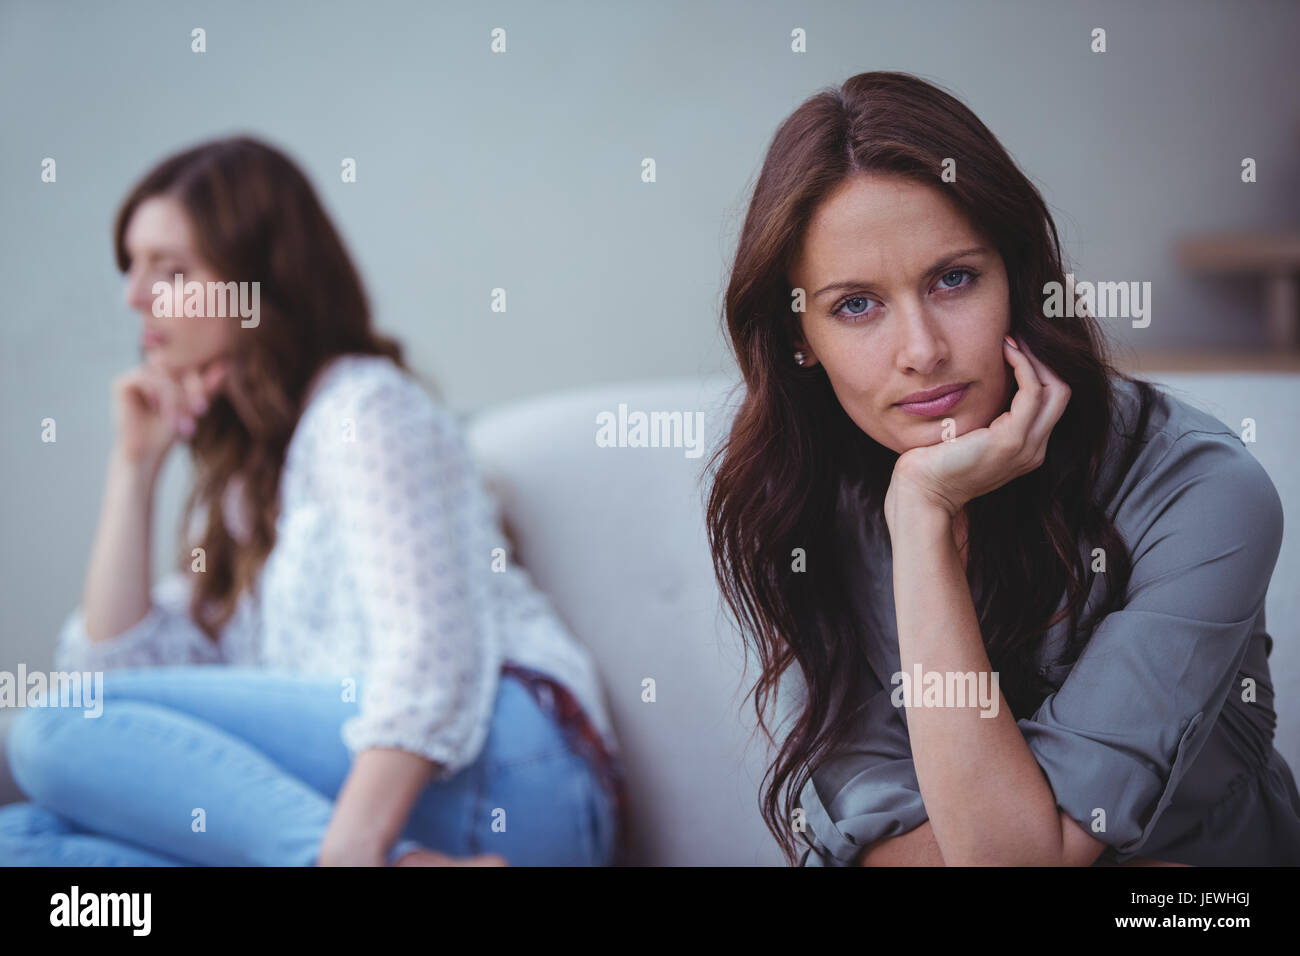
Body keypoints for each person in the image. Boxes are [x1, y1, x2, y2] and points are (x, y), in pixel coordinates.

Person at [705, 71, 1300, 866]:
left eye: (953, 279)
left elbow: (1016, 863)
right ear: (799, 337)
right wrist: (922, 519)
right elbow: (873, 842)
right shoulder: (803, 499)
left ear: (1019, 281)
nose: (921, 351)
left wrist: (917, 516)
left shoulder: (1202, 493)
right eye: (857, 305)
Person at [0, 135, 625, 867]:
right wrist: (133, 469)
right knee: (26, 843)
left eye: (170, 270)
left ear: (257, 283)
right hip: (391, 801)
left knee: (48, 730)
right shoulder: (245, 480)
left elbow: (431, 663)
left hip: (514, 775)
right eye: (131, 267)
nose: (134, 297)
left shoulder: (365, 410)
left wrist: (348, 857)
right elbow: (116, 682)